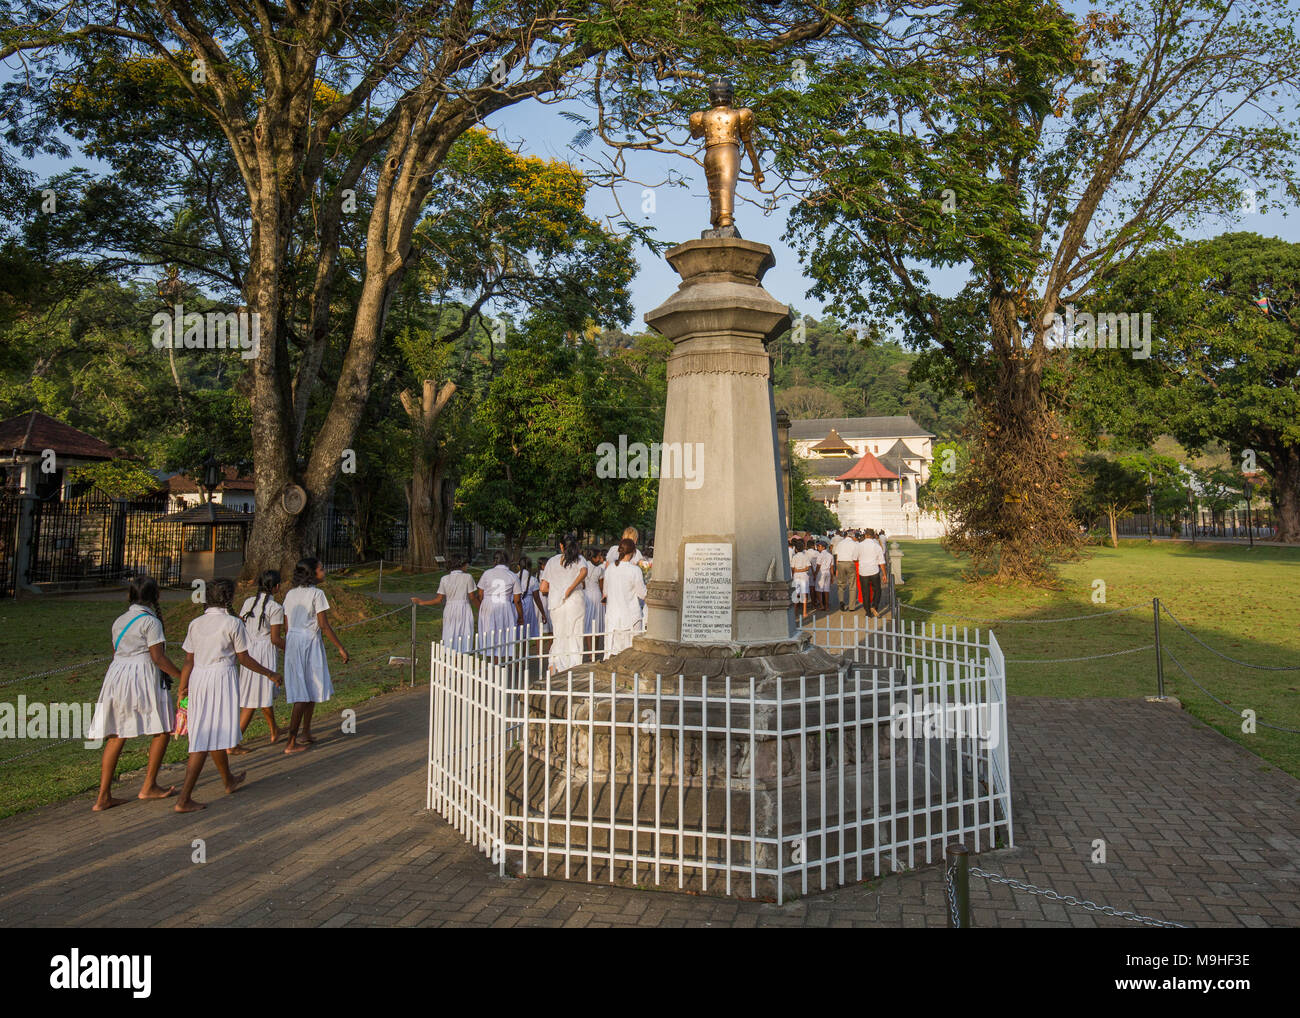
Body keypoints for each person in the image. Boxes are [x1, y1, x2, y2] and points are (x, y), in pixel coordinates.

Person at [176, 578, 281, 812]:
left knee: (210, 732)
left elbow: (188, 660)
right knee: (203, 739)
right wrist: (270, 673)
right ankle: (183, 799)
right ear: (228, 598)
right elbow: (243, 658)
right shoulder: (232, 623)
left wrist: (182, 688)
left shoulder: (196, 623)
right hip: (220, 679)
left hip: (198, 679)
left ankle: (228, 780)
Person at [87, 577, 183, 810]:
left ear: (130, 596)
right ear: (156, 596)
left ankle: (103, 796)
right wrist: (183, 677)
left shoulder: (119, 621)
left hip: (117, 675)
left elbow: (116, 651)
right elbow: (158, 658)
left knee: (117, 734)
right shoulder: (151, 622)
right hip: (142, 676)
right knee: (161, 729)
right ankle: (149, 785)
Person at [282, 558, 348, 755]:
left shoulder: (290, 594)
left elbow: (287, 625)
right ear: (312, 573)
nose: (324, 571)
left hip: (294, 642)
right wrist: (340, 647)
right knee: (302, 695)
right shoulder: (317, 594)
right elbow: (324, 625)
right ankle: (291, 742)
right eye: (321, 568)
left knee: (309, 689)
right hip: (309, 642)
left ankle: (306, 732)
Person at [232, 569, 286, 753]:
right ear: (277, 587)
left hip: (248, 651)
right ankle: (233, 742)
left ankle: (274, 729)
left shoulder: (248, 602)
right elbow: (275, 639)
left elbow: (239, 624)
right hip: (264, 653)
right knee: (253, 699)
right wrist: (291, 650)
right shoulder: (276, 608)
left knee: (260, 693)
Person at [541, 534, 588, 674]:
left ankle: (554, 668)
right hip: (575, 602)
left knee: (559, 636)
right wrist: (571, 588)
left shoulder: (552, 561)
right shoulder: (579, 559)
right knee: (575, 637)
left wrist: (559, 590)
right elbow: (584, 572)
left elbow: (543, 588)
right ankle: (572, 670)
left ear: (561, 546)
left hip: (557, 603)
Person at [411, 557, 477, 653]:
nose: (467, 566)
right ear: (461, 565)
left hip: (449, 609)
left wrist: (422, 602)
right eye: (466, 564)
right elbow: (472, 597)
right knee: (465, 632)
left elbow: (439, 599)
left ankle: (451, 657)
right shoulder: (468, 577)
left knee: (450, 632)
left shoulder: (444, 579)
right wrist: (480, 606)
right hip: (464, 607)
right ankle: (462, 656)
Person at [476, 552, 525, 658]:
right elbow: (517, 600)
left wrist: (483, 607)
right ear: (508, 561)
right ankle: (502, 659)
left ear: (494, 561)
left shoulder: (487, 573)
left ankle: (493, 659)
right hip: (504, 606)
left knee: (489, 631)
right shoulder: (512, 575)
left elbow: (480, 594)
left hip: (488, 604)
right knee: (504, 633)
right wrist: (520, 616)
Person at [603, 538, 647, 658]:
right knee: (631, 654)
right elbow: (642, 593)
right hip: (630, 616)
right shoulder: (635, 570)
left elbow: (605, 592)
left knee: (613, 652)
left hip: (613, 615)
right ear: (633, 552)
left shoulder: (610, 568)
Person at [857, 528, 888, 619]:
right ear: (873, 536)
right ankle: (874, 606)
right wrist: (884, 574)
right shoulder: (876, 546)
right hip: (874, 570)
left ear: (865, 535)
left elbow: (855, 557)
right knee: (877, 590)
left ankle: (867, 611)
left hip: (863, 571)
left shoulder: (859, 545)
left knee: (865, 592)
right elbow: (881, 562)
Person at [583, 547, 606, 659]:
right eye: (599, 556)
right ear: (594, 557)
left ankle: (589, 650)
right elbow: (602, 586)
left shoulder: (583, 566)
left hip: (586, 594)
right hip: (596, 595)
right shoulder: (599, 570)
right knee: (596, 622)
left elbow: (582, 583)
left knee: (588, 623)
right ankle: (595, 650)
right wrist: (604, 597)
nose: (601, 558)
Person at [836, 530, 859, 611]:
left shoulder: (840, 543)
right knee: (852, 584)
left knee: (840, 584)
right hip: (850, 563)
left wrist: (837, 569)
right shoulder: (855, 544)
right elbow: (856, 558)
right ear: (852, 536)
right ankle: (852, 606)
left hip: (840, 563)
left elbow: (837, 556)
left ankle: (841, 601)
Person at [790, 537, 812, 621]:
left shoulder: (795, 557)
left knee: (796, 594)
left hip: (796, 576)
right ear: (803, 548)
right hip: (804, 576)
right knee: (804, 594)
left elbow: (793, 568)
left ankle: (795, 613)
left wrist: (797, 570)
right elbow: (807, 568)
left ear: (796, 549)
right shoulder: (805, 556)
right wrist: (801, 570)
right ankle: (804, 612)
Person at [814, 539, 834, 612]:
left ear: (823, 547)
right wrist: (832, 577)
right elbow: (832, 567)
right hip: (828, 572)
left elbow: (818, 566)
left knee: (818, 590)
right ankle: (827, 606)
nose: (818, 548)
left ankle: (822, 605)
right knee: (826, 590)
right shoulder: (830, 555)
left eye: (819, 546)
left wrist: (815, 574)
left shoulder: (820, 555)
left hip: (821, 572)